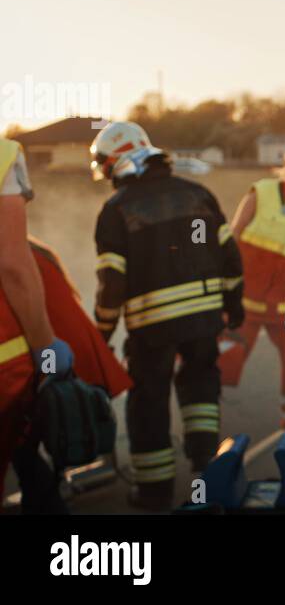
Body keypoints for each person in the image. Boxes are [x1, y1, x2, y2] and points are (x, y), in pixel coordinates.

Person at [90, 122, 244, 510]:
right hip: (204, 319)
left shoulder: (116, 209)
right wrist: (233, 304)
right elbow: (230, 255)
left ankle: (155, 491)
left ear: (117, 162)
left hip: (151, 327)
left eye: (106, 166)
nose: (106, 175)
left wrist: (102, 331)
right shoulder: (197, 194)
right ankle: (205, 467)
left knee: (149, 401)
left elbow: (111, 283)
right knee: (200, 385)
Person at [0, 138, 131, 513]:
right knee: (25, 448)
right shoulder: (4, 156)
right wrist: (48, 354)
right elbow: (13, 267)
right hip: (12, 374)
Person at [222, 150, 285, 433]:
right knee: (228, 357)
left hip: (281, 304)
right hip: (245, 301)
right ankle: (201, 406)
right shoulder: (263, 191)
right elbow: (234, 234)